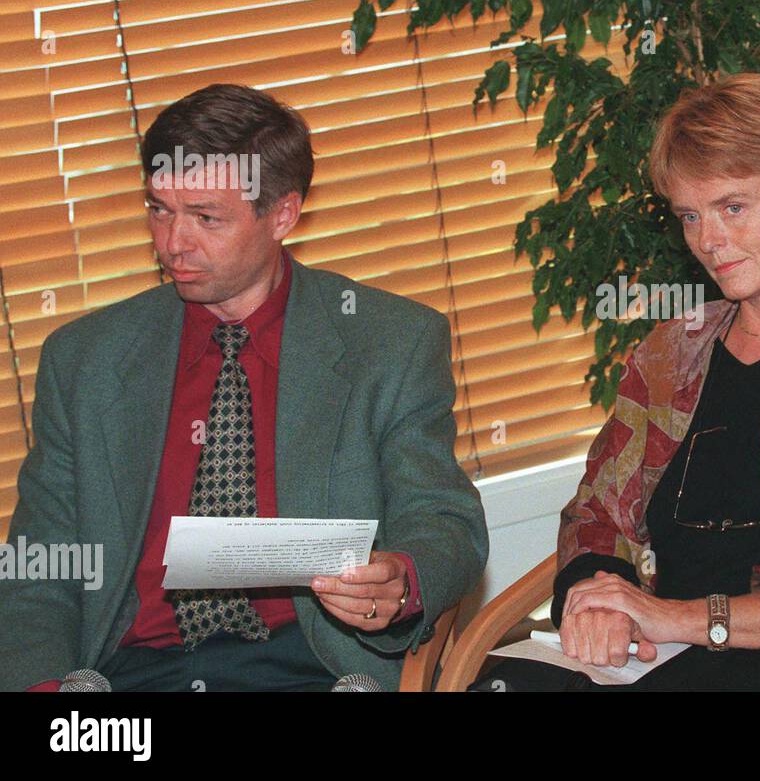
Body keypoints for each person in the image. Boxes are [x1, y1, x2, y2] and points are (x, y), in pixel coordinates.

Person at [0, 84, 488, 691]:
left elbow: (443, 519)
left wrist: (400, 578)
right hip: (131, 673)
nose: (173, 244)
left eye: (206, 217)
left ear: (282, 214)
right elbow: (39, 568)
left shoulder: (390, 343)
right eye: (159, 210)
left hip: (313, 666)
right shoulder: (84, 361)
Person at [475, 72, 760, 691]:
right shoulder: (673, 352)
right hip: (646, 653)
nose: (708, 241)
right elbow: (598, 508)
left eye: (732, 208)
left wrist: (683, 619)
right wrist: (599, 598)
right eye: (690, 216)